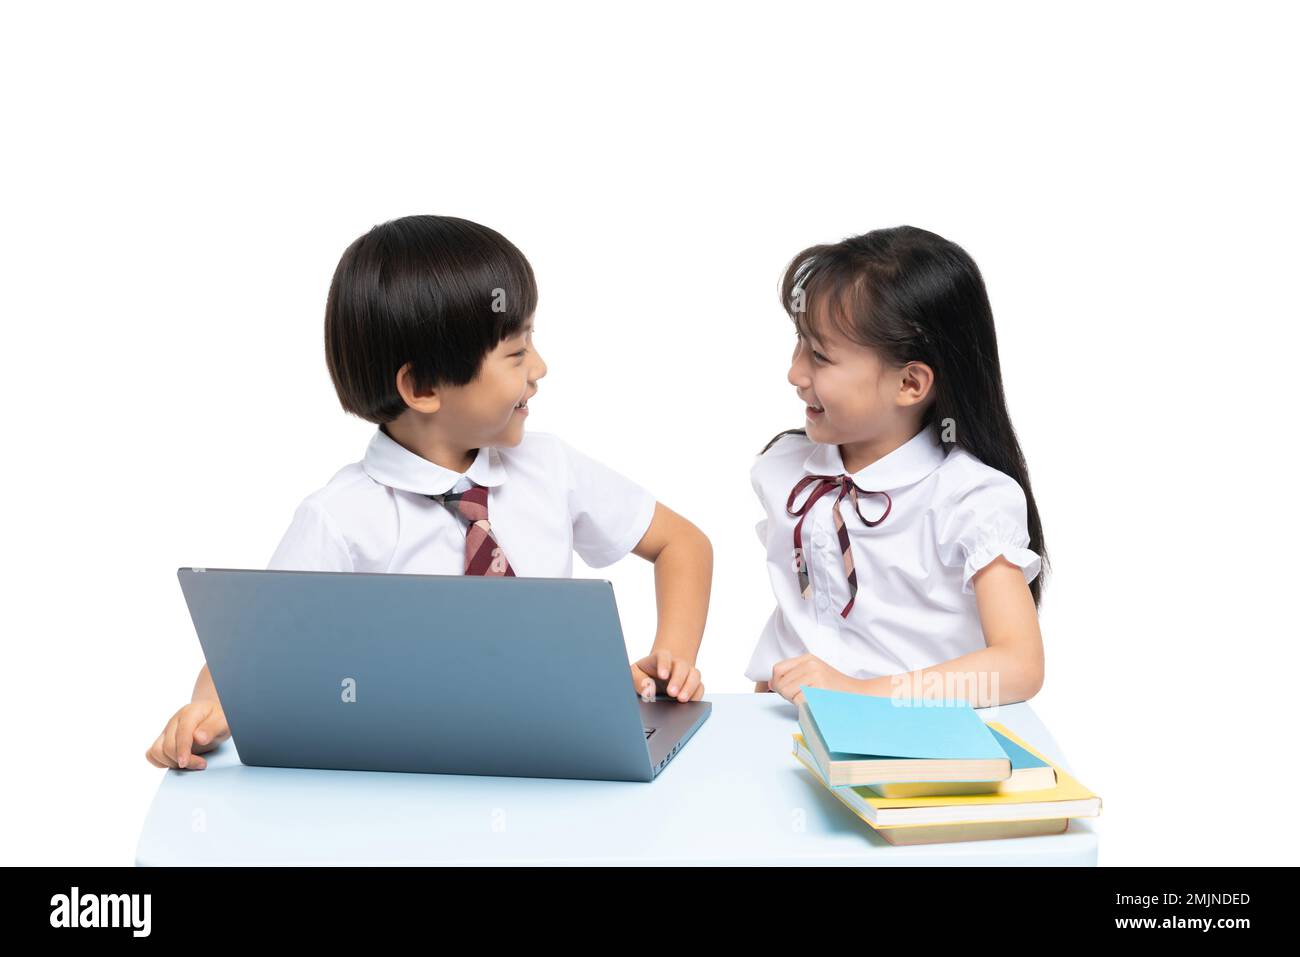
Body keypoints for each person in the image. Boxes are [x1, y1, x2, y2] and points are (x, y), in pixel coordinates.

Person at [147, 215, 712, 771]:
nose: (539, 367)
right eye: (515, 354)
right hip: (417, 773)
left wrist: (672, 659)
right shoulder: (342, 518)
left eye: (531, 341)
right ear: (420, 387)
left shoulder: (549, 466)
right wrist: (209, 710)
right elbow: (244, 657)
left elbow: (681, 544)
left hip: (558, 752)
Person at [748, 226, 1046, 708]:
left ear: (909, 383)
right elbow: (815, 603)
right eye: (799, 343)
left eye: (820, 356)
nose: (795, 373)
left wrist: (861, 693)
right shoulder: (784, 467)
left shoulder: (969, 499)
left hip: (911, 738)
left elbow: (1019, 667)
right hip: (790, 727)